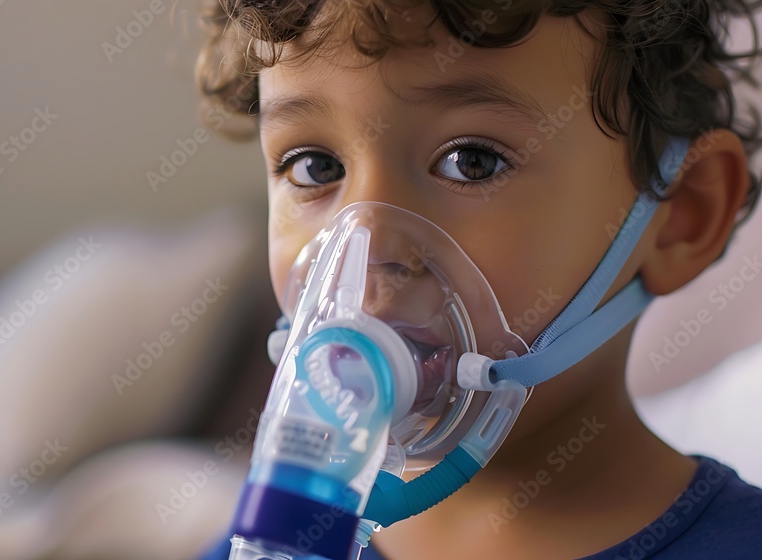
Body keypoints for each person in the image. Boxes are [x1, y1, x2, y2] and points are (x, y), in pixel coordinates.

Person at [193, 1, 762, 559]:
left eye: (471, 162)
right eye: (314, 166)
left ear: (682, 216)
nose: (370, 251)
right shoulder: (280, 537)